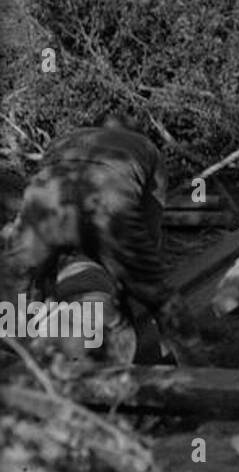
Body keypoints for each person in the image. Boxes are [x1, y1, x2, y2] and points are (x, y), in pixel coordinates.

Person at [2, 117, 181, 363]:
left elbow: (46, 187)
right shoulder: (146, 147)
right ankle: (198, 367)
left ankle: (16, 343)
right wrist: (140, 275)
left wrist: (45, 279)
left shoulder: (64, 139)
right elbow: (151, 224)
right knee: (162, 300)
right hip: (108, 204)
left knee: (14, 278)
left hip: (44, 203)